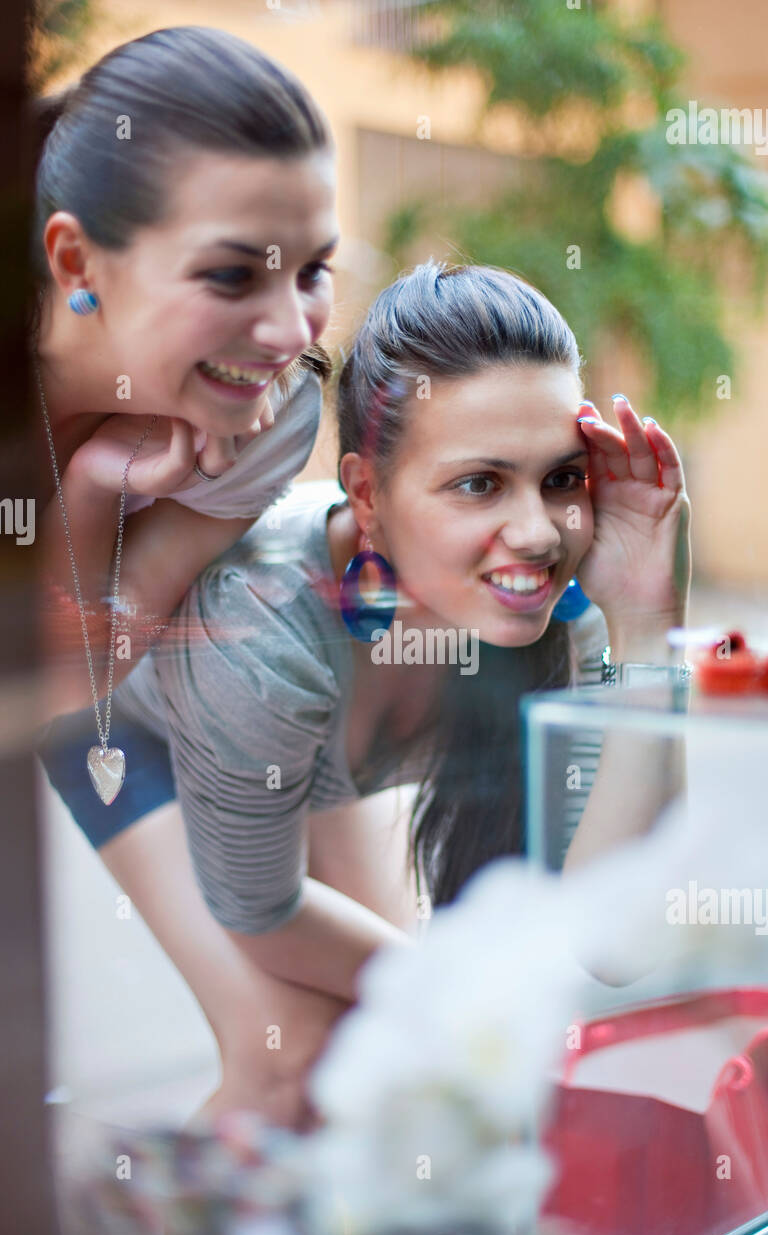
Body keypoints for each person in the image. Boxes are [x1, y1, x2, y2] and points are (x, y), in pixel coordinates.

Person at [86, 259, 691, 1123]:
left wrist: (648, 622)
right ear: (366, 493)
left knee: (403, 1059)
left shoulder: (565, 609)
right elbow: (261, 909)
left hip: (297, 747)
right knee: (297, 1061)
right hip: (125, 725)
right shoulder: (260, 638)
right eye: (479, 483)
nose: (535, 532)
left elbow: (614, 937)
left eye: (560, 478)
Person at [32, 25, 351, 1128]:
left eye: (312, 271)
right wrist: (97, 483)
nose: (286, 328)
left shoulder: (272, 401)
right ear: (77, 265)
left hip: (179, 678)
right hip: (64, 704)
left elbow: (110, 637)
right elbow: (57, 686)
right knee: (287, 1059)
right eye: (230, 274)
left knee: (339, 1063)